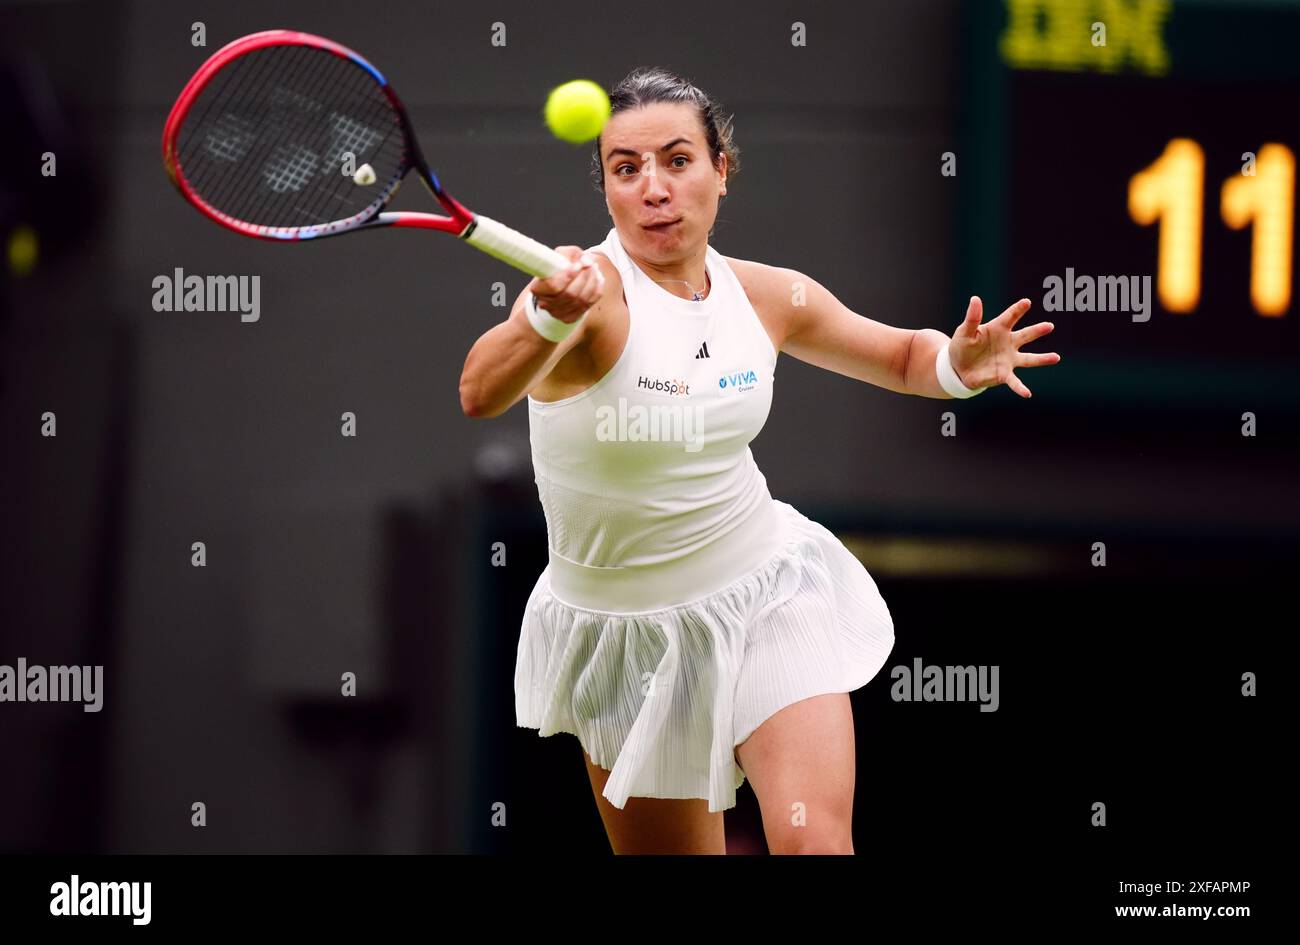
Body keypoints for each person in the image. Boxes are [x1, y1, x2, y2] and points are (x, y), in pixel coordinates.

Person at [458, 67, 1060, 854]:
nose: (654, 188)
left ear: (721, 170)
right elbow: (479, 390)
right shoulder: (585, 298)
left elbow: (907, 357)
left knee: (815, 843)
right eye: (626, 168)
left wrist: (958, 364)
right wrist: (542, 315)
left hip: (766, 592)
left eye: (677, 160)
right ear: (605, 187)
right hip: (624, 631)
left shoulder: (771, 296)